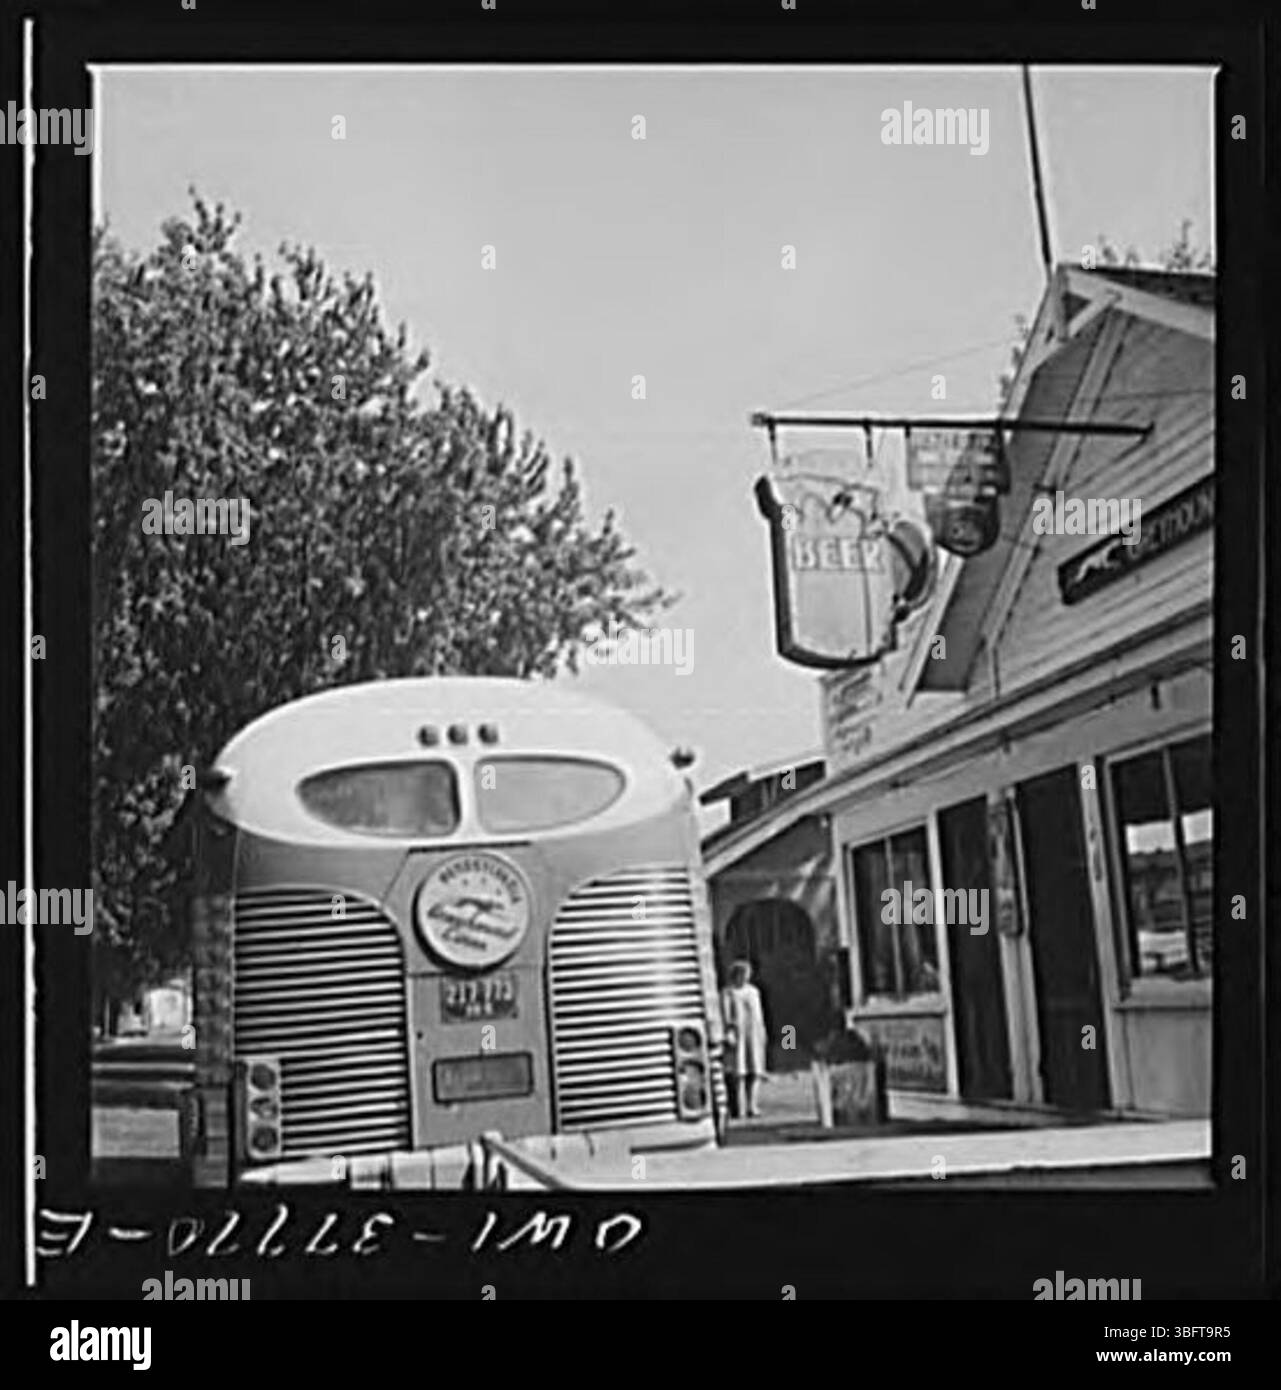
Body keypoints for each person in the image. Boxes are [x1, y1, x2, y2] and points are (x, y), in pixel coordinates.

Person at [721, 959, 769, 1119]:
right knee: (739, 1073)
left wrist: (762, 1032)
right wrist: (729, 1032)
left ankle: (752, 1105)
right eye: (743, 974)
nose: (746, 977)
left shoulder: (754, 992)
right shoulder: (728, 992)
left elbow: (759, 1013)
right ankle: (739, 1107)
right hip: (738, 1034)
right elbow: (726, 1015)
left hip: (754, 1033)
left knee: (755, 1071)